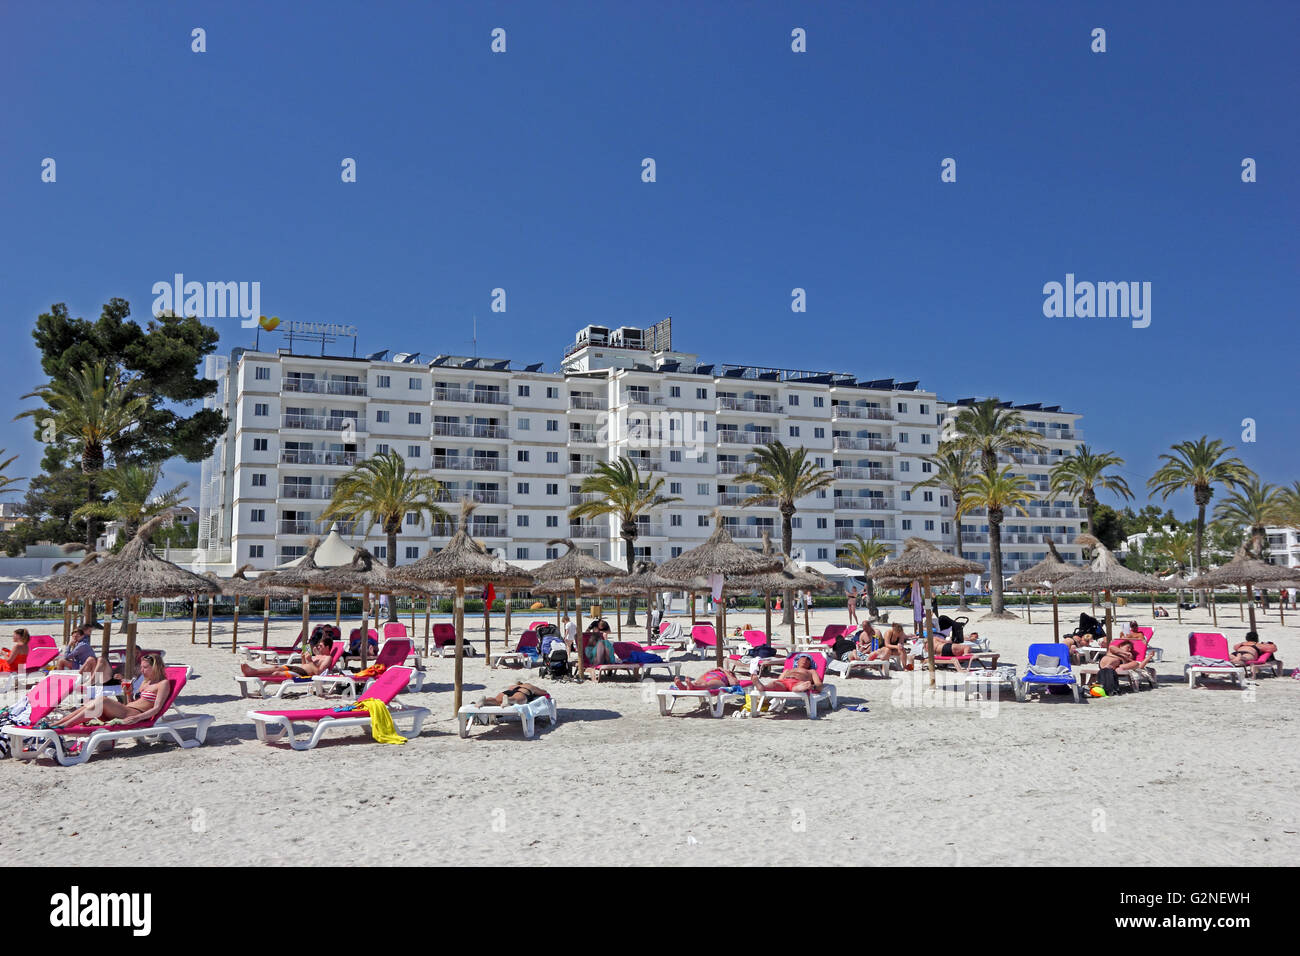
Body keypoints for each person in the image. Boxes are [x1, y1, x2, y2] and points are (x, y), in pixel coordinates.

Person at [54, 653, 171, 728]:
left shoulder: (162, 684)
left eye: (145, 667)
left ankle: (65, 726)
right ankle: (57, 724)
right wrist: (128, 693)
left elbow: (156, 708)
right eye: (141, 667)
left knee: (103, 700)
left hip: (135, 714)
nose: (142, 670)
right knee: (90, 703)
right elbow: (132, 703)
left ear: (155, 668)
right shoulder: (146, 682)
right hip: (127, 710)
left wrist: (138, 718)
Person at [240, 634, 333, 678]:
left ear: (327, 647)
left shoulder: (328, 658)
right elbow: (305, 665)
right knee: (276, 667)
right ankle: (253, 671)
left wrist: (310, 660)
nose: (318, 647)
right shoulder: (318, 655)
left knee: (276, 674)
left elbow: (318, 673)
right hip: (299, 669)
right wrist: (303, 658)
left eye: (321, 646)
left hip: (303, 674)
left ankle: (253, 675)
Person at [751, 654, 822, 694]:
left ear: (810, 664)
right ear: (797, 662)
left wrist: (813, 687)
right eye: (803, 658)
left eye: (808, 660)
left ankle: (799, 688)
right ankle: (762, 687)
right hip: (784, 683)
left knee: (798, 686)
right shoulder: (788, 670)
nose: (805, 660)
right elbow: (779, 680)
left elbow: (819, 684)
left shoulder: (811, 671)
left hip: (798, 682)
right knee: (774, 684)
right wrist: (776, 683)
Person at [672, 665, 742, 691]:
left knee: (708, 684)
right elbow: (702, 676)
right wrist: (708, 671)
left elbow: (734, 684)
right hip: (708, 676)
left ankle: (692, 686)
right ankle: (684, 687)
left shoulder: (730, 676)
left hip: (719, 680)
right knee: (698, 682)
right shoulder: (717, 671)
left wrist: (725, 671)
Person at [480, 682, 547, 707]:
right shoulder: (529, 685)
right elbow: (543, 692)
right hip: (522, 692)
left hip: (508, 691)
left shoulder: (513, 686)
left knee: (496, 700)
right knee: (516, 699)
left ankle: (485, 700)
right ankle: (509, 700)